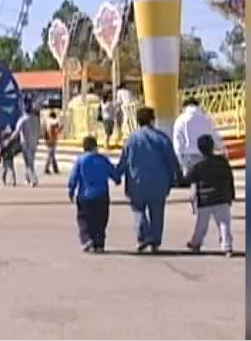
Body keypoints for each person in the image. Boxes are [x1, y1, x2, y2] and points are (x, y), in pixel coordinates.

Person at [116, 106, 182, 252]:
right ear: (153, 120)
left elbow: (124, 160)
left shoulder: (132, 139)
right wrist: (178, 176)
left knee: (138, 209)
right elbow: (172, 160)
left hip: (136, 181)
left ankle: (143, 235)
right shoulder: (162, 138)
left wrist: (117, 175)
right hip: (160, 182)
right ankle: (155, 240)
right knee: (157, 212)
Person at [184, 134, 236, 257]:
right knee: (224, 223)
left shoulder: (199, 165)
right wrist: (231, 195)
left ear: (200, 149)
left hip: (205, 200)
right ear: (212, 147)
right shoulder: (223, 162)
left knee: (201, 225)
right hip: (222, 198)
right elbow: (230, 179)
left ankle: (196, 243)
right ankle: (227, 246)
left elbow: (187, 179)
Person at [67, 136, 120, 253]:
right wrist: (117, 179)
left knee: (84, 219)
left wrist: (71, 191)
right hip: (102, 195)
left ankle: (87, 239)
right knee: (100, 220)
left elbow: (73, 178)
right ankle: (99, 243)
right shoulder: (102, 159)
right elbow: (113, 172)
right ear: (95, 146)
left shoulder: (80, 161)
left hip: (85, 196)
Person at [173, 97, 224, 177]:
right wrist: (221, 149)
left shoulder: (180, 120)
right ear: (198, 105)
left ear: (184, 107)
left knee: (193, 182)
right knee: (207, 179)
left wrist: (179, 160)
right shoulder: (206, 118)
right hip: (206, 155)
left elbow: (178, 142)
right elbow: (215, 136)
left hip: (188, 157)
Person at [7, 101, 41, 187]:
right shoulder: (36, 119)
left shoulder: (22, 119)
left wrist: (9, 140)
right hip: (34, 143)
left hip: (25, 143)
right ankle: (27, 178)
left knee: (29, 163)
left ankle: (34, 179)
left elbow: (17, 132)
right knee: (30, 161)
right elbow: (39, 131)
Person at [43, 110, 62, 174]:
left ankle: (55, 168)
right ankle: (46, 168)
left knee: (52, 154)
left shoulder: (47, 121)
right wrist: (60, 128)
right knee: (50, 154)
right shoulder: (54, 122)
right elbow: (56, 131)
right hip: (52, 139)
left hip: (47, 139)